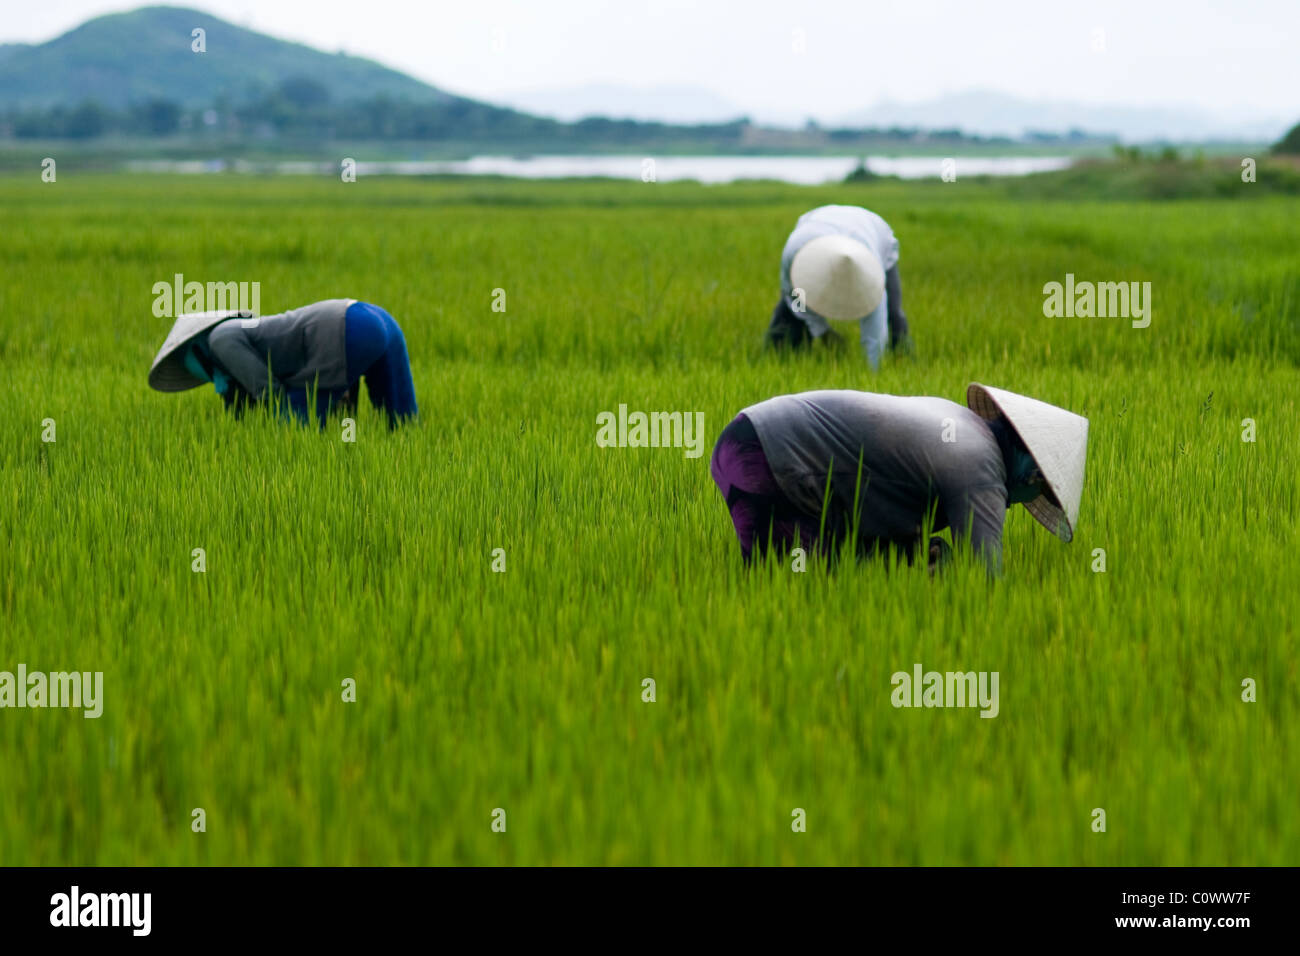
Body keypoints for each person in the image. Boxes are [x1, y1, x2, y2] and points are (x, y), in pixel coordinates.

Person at [709, 385, 1089, 575]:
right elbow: (985, 577)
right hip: (767, 462)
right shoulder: (981, 471)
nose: (1022, 501)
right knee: (790, 582)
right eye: (1036, 491)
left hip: (743, 438)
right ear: (1032, 471)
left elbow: (884, 487)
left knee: (891, 561)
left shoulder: (961, 423)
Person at [148, 299, 418, 428]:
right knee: (402, 426)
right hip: (376, 317)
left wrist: (262, 420)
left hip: (343, 331)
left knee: (295, 427)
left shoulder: (221, 337)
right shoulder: (242, 331)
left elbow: (269, 392)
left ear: (195, 349)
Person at [765, 204, 912, 369]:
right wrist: (822, 331)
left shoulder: (872, 271)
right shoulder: (795, 252)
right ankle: (783, 360)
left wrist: (873, 374)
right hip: (819, 222)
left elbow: (875, 328)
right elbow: (794, 296)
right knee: (791, 314)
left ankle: (902, 359)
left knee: (893, 312)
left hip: (874, 231)